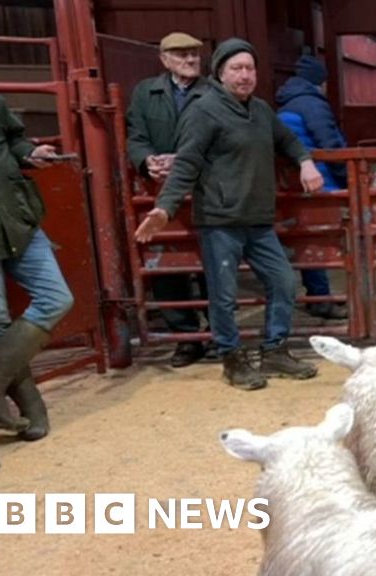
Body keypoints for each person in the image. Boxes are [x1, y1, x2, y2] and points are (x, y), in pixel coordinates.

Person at [133, 38, 324, 391]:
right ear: (220, 73)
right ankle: (232, 360)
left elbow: (288, 140)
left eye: (250, 68)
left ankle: (274, 350)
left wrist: (305, 161)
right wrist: (165, 206)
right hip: (220, 220)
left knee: (283, 281)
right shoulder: (204, 111)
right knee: (223, 294)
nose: (245, 75)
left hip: (257, 220)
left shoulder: (261, 110)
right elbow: (187, 161)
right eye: (236, 68)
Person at [0, 39, 74, 474]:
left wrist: (30, 152)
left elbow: (13, 140)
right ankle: (29, 407)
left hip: (16, 214)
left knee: (56, 297)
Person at [126, 32, 210, 367]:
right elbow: (135, 136)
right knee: (167, 265)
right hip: (159, 189)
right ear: (164, 60)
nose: (190, 60)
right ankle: (186, 338)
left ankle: (219, 334)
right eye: (181, 55)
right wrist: (146, 160)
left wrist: (187, 160)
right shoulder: (146, 93)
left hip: (204, 188)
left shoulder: (213, 91)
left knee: (213, 263)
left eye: (194, 55)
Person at [275, 55, 348, 322]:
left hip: (293, 182)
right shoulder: (313, 104)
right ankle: (322, 299)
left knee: (306, 239)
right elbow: (330, 143)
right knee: (323, 239)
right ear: (320, 81)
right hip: (319, 180)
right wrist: (347, 178)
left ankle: (319, 295)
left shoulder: (286, 103)